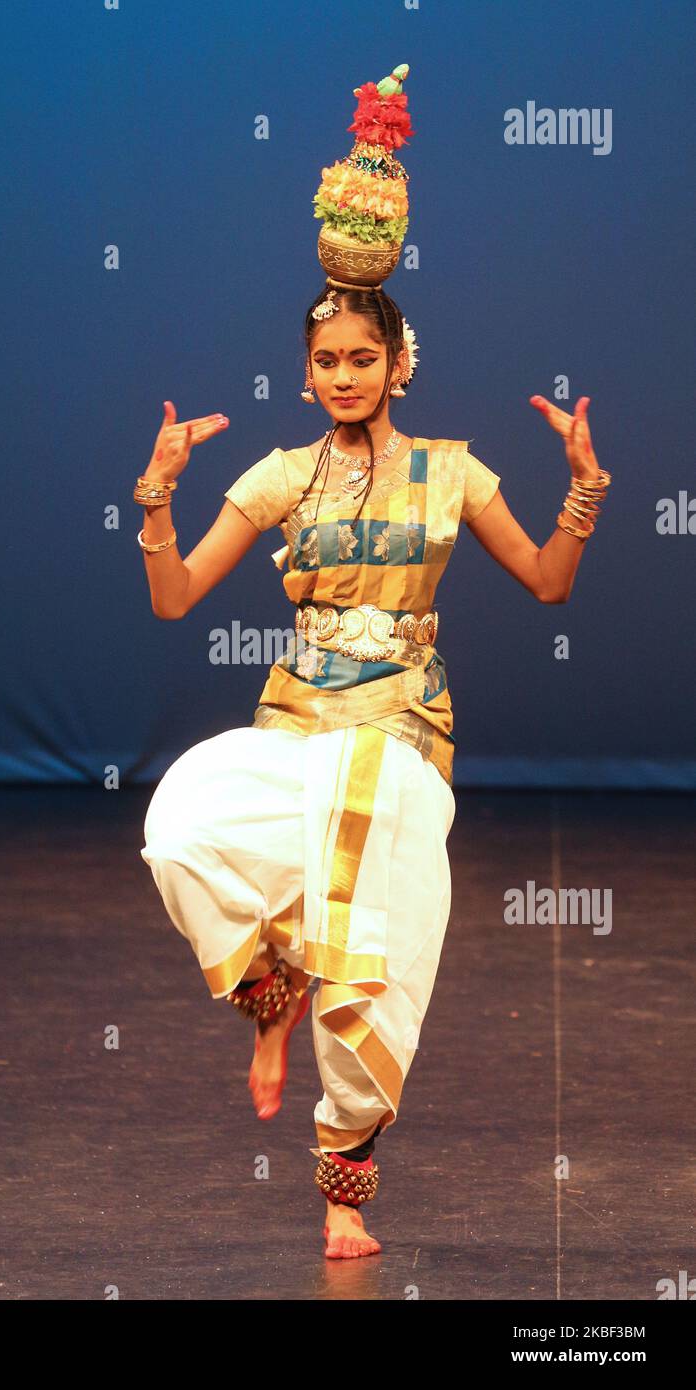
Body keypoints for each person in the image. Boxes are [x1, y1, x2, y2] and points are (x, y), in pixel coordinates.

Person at [135, 65, 610, 1260]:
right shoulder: (281, 476)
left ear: (398, 366)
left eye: (363, 357)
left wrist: (586, 492)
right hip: (300, 722)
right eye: (326, 360)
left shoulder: (450, 471)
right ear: (306, 374)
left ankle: (341, 1189)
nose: (344, 374)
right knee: (177, 820)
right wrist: (155, 497)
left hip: (399, 742)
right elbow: (174, 596)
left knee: (365, 913)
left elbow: (545, 582)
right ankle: (268, 993)